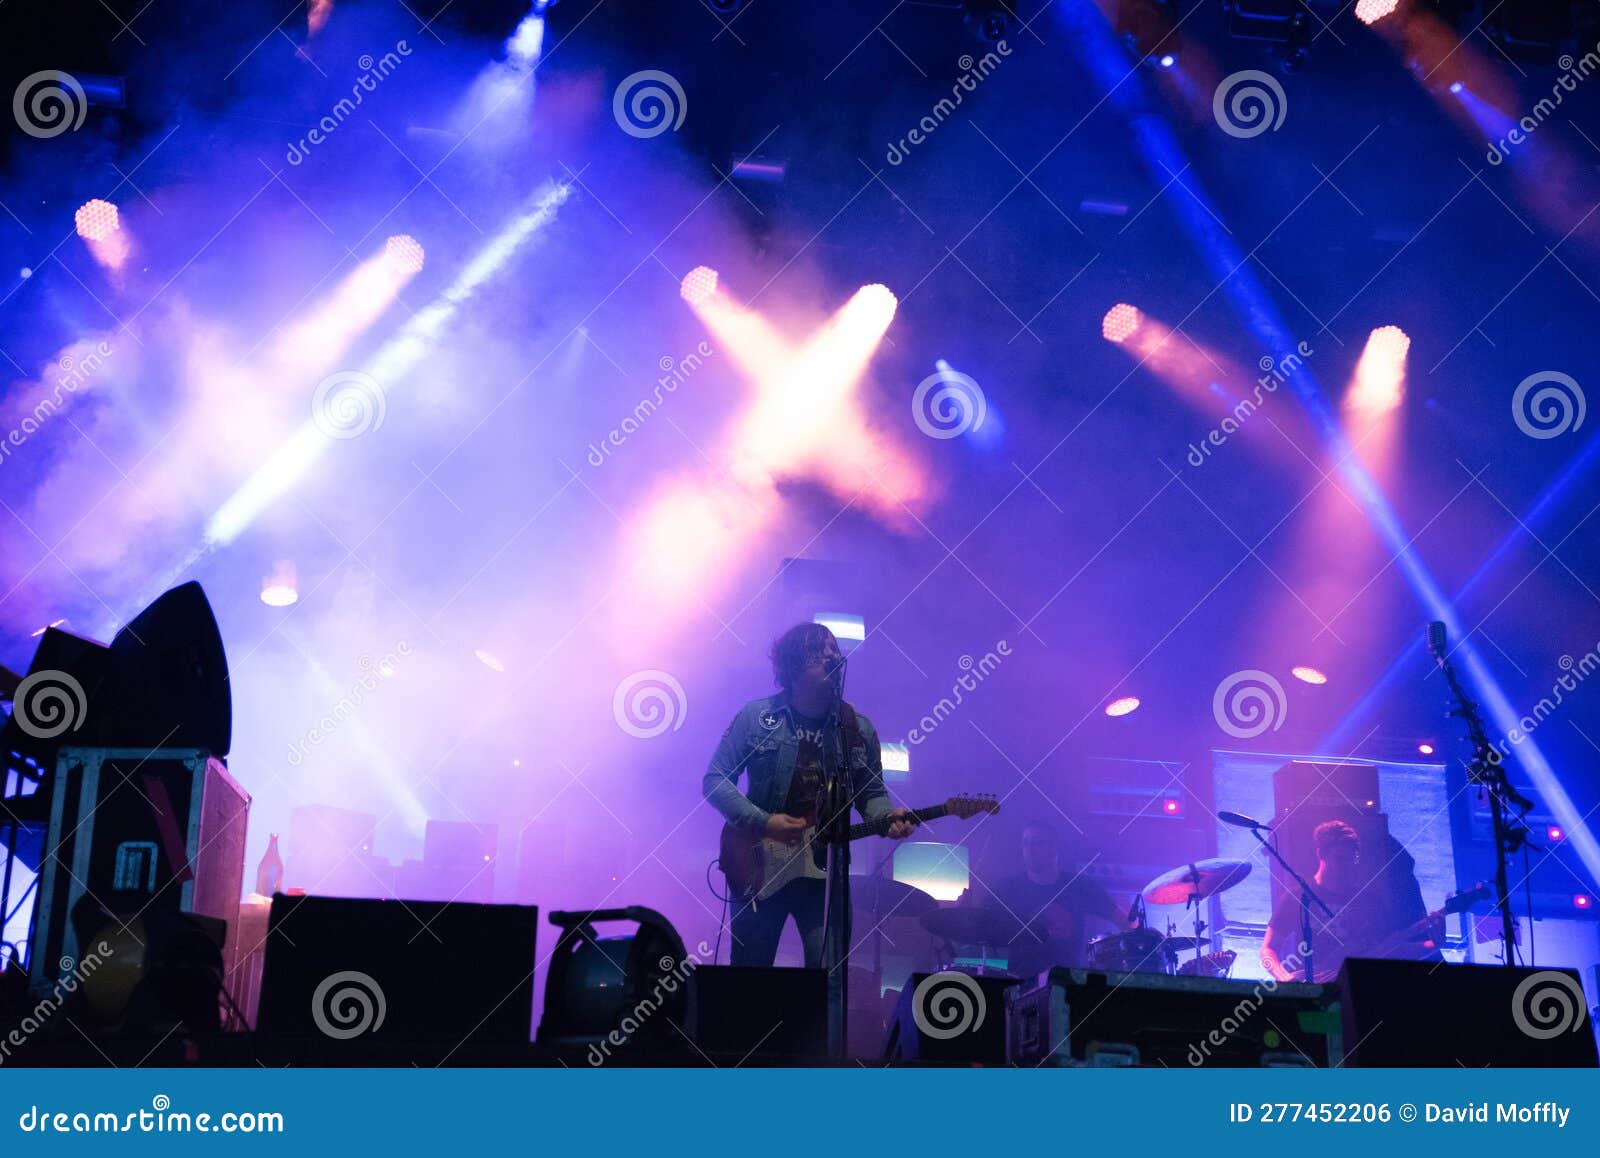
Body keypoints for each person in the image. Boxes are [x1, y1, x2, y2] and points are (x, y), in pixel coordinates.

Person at [703, 622, 913, 967]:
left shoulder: (857, 727)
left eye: (836, 650)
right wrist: (764, 821)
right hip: (758, 866)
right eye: (822, 650)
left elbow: (871, 792)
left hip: (824, 874)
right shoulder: (756, 717)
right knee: (748, 980)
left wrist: (886, 817)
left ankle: (818, 1024)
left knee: (828, 980)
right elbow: (715, 780)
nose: (834, 656)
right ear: (795, 664)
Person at [1260, 819, 1435, 982]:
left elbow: (1392, 949)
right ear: (1321, 854)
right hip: (1311, 989)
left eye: (1353, 859)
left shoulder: (1370, 902)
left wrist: (1434, 944)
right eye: (1340, 859)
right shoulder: (1298, 896)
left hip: (1356, 992)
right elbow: (1268, 949)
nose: (1347, 865)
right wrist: (1283, 976)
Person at [978, 820, 1126, 977]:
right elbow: (979, 924)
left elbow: (1122, 920)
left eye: (1038, 843)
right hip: (1016, 982)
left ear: (1054, 848)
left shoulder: (1080, 886)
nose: (1030, 849)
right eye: (1026, 843)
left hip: (1068, 981)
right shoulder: (1007, 888)